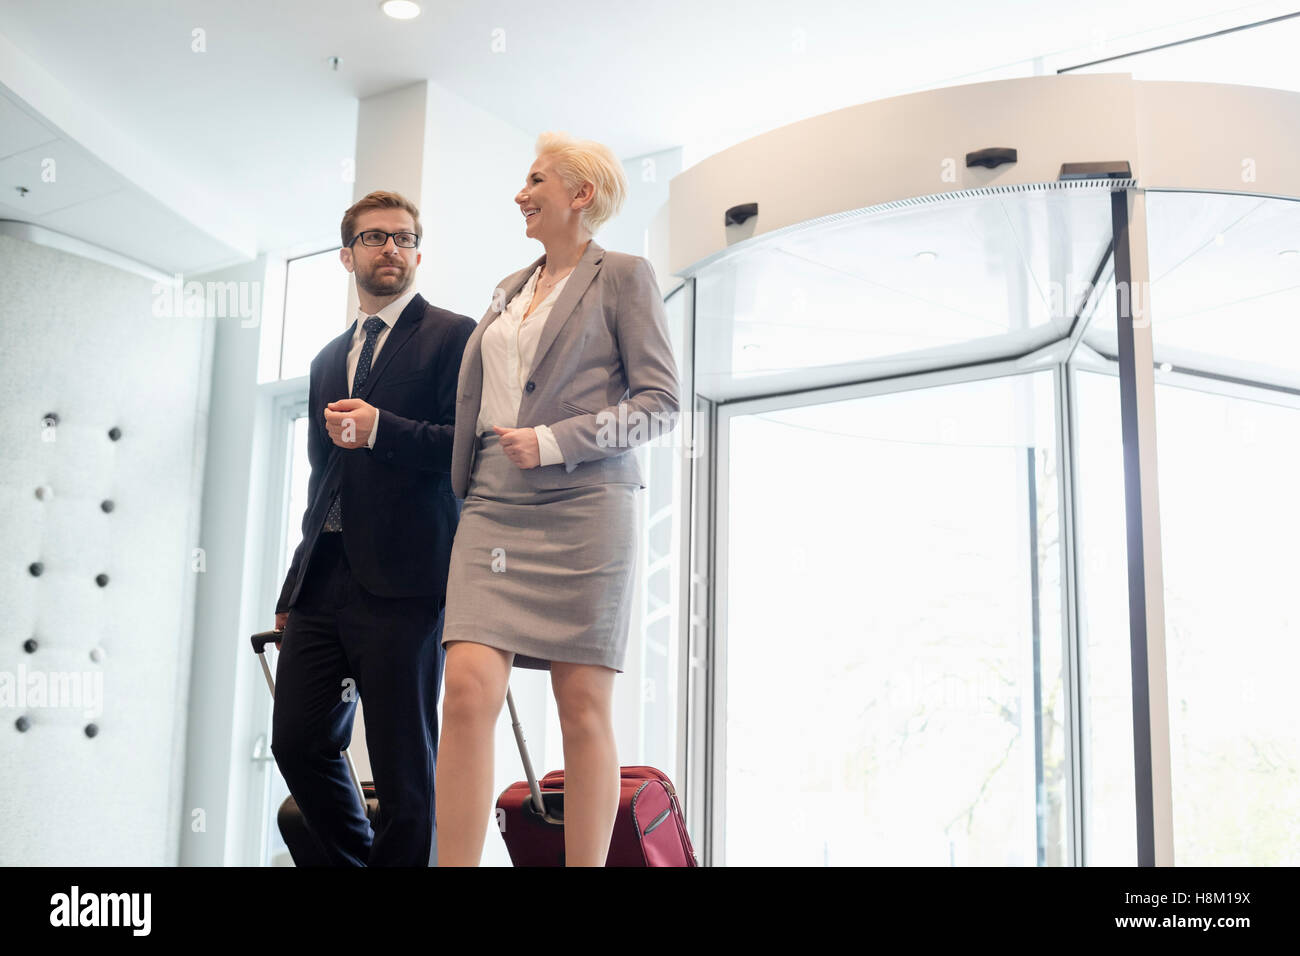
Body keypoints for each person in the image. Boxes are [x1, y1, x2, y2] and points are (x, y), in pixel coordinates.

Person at [435, 132, 680, 866]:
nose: (521, 193)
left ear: (581, 195)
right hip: (491, 502)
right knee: (467, 691)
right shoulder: (510, 288)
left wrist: (554, 441)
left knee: (581, 705)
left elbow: (660, 403)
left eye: (536, 180)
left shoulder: (625, 277)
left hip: (584, 508)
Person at [270, 190, 475, 866]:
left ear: (418, 252)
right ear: (347, 254)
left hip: (407, 583)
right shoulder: (329, 358)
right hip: (324, 581)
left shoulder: (453, 335)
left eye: (405, 238)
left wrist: (382, 429)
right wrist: (294, 583)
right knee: (296, 741)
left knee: (404, 769)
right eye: (375, 237)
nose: (391, 248)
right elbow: (320, 478)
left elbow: (464, 446)